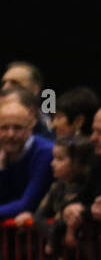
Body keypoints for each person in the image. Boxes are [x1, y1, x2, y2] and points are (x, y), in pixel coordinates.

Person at [14, 136, 93, 260]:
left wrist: (55, 233)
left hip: (85, 257)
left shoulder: (90, 189)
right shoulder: (57, 187)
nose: (52, 163)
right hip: (58, 256)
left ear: (78, 162)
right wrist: (56, 234)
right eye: (54, 158)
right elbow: (38, 217)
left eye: (60, 159)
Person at [0, 88, 54, 220]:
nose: (10, 134)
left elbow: (26, 204)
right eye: (4, 128)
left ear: (30, 127)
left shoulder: (45, 152)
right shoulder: (2, 153)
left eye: (17, 128)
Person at [3, 61, 53, 139]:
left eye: (14, 83)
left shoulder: (51, 126)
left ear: (35, 89)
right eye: (4, 83)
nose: (5, 88)